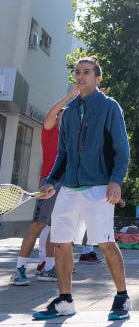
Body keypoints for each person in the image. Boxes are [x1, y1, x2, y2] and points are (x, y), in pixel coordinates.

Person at [34, 57, 131, 320]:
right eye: (77, 72)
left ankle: (122, 297)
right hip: (69, 189)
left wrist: (116, 180)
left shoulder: (109, 107)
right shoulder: (69, 113)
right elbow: (62, 155)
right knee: (60, 242)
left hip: (99, 187)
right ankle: (65, 300)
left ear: (97, 77)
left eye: (86, 72)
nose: (80, 76)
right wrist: (51, 182)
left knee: (105, 242)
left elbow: (122, 149)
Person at [10, 87, 79, 286]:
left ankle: (48, 268)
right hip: (49, 184)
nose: (66, 119)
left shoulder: (71, 139)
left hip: (66, 187)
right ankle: (19, 269)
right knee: (38, 225)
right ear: (57, 119)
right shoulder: (50, 131)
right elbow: (53, 112)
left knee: (55, 228)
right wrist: (72, 94)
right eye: (62, 116)